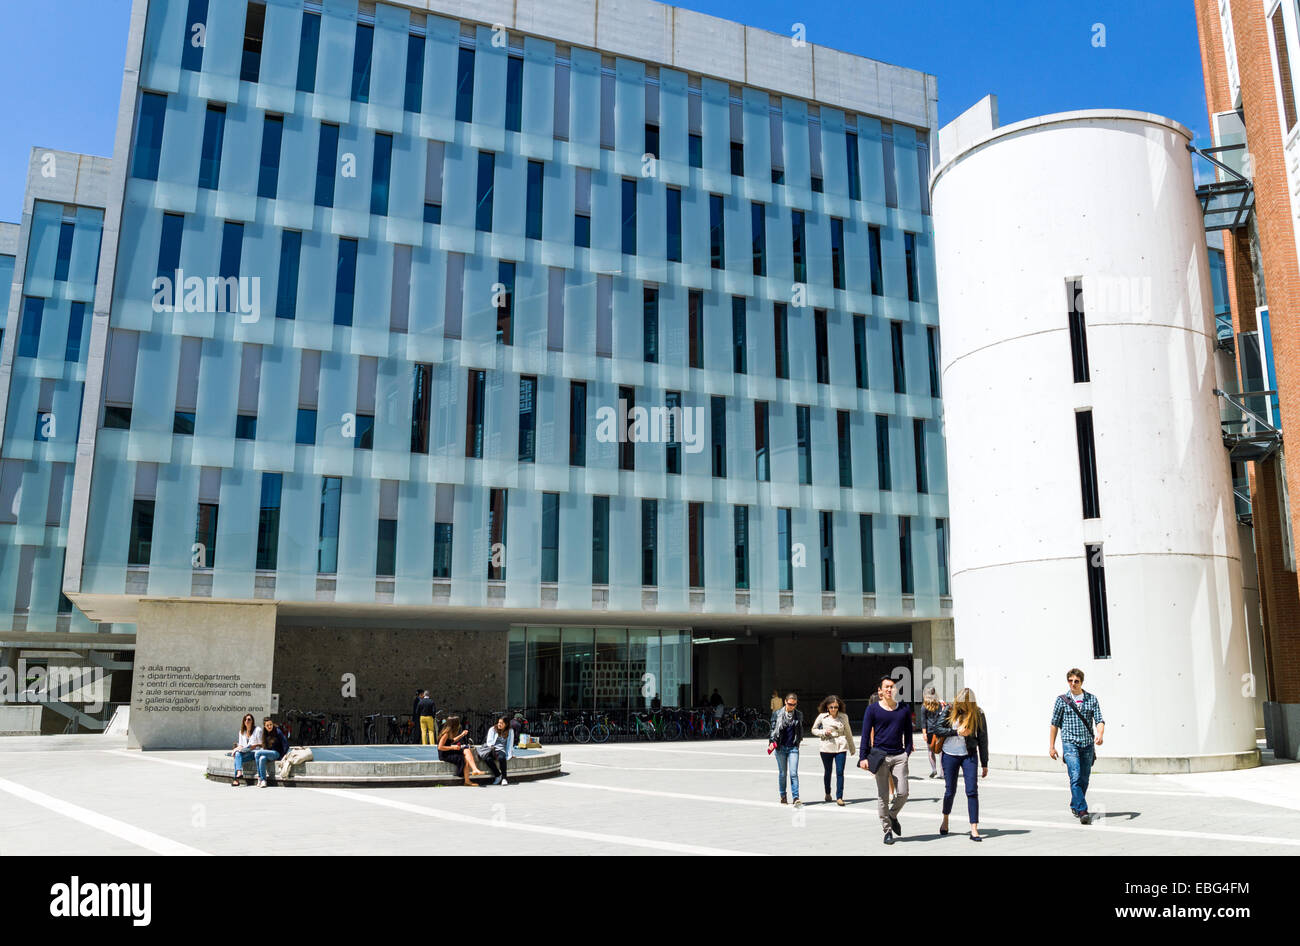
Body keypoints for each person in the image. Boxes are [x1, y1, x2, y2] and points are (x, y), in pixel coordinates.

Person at [858, 676, 913, 844]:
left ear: (895, 690)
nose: (889, 689)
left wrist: (907, 752)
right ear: (880, 690)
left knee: (903, 792)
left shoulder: (904, 709)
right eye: (886, 687)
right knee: (883, 796)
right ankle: (887, 830)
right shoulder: (873, 709)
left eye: (892, 687)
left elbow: (909, 735)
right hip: (880, 756)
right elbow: (866, 734)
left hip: (899, 756)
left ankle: (892, 815)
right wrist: (863, 757)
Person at [931, 688, 989, 841]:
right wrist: (956, 732)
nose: (963, 708)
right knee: (950, 790)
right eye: (961, 705)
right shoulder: (950, 709)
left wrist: (984, 763)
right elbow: (937, 728)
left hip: (969, 755)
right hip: (950, 755)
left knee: (972, 791)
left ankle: (974, 829)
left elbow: (983, 739)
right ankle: (945, 819)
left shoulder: (978, 713)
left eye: (966, 706)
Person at [1049, 668, 1105, 824]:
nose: (1073, 684)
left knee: (1084, 778)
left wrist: (1100, 734)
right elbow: (1054, 724)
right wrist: (1052, 746)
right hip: (1069, 743)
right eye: (1070, 680)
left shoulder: (1091, 699)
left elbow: (1099, 720)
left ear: (1081, 682)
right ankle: (1082, 810)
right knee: (1075, 775)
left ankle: (1075, 803)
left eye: (1076, 681)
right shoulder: (1062, 700)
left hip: (1087, 744)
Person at [811, 695, 855, 806]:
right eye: (831, 707)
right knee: (828, 771)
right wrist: (823, 732)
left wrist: (852, 747)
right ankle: (827, 793)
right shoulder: (822, 716)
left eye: (836, 707)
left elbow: (848, 732)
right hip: (826, 746)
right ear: (827, 707)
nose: (834, 709)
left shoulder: (844, 717)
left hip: (841, 746)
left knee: (840, 772)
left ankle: (839, 797)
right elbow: (813, 729)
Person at [768, 692, 803, 807]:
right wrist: (772, 742)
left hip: (793, 748)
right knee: (783, 774)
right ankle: (783, 795)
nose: (792, 707)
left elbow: (799, 730)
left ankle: (796, 797)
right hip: (780, 748)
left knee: (794, 773)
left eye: (794, 705)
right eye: (790, 704)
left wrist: (798, 741)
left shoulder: (798, 714)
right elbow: (773, 730)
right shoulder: (777, 714)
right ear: (785, 702)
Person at [438, 715, 489, 786]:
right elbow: (440, 747)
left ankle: (474, 770)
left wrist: (462, 735)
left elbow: (451, 741)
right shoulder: (446, 734)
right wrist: (453, 748)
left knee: (466, 750)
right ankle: (467, 781)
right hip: (445, 754)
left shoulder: (450, 732)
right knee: (464, 759)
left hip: (448, 751)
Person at [254, 717, 289, 789]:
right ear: (264, 726)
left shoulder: (278, 731)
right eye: (267, 725)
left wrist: (282, 756)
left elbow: (286, 744)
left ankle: (259, 777)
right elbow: (265, 747)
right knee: (262, 758)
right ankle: (263, 780)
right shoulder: (265, 734)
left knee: (257, 753)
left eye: (271, 724)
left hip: (277, 754)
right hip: (269, 754)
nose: (270, 726)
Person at [229, 713, 262, 787]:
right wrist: (237, 749)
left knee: (237, 758)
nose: (247, 721)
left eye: (249, 719)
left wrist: (253, 746)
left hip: (255, 753)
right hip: (246, 752)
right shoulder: (241, 732)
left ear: (252, 721)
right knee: (237, 754)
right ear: (243, 721)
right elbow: (241, 744)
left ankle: (236, 779)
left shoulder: (258, 730)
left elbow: (261, 744)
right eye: (245, 719)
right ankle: (239, 772)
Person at [921, 686, 947, 779]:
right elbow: (943, 716)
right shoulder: (939, 704)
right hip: (939, 730)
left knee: (930, 750)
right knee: (940, 751)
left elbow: (923, 721)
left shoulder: (924, 706)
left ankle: (934, 769)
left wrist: (924, 734)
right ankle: (942, 772)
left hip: (930, 731)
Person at [481, 716, 515, 785]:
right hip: (492, 749)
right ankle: (498, 775)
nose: (499, 724)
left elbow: (510, 744)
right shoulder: (493, 729)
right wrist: (493, 749)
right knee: (487, 759)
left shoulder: (510, 731)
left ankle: (504, 778)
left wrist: (509, 754)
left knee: (502, 758)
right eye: (499, 722)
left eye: (501, 723)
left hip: (501, 750)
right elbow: (489, 742)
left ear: (506, 724)